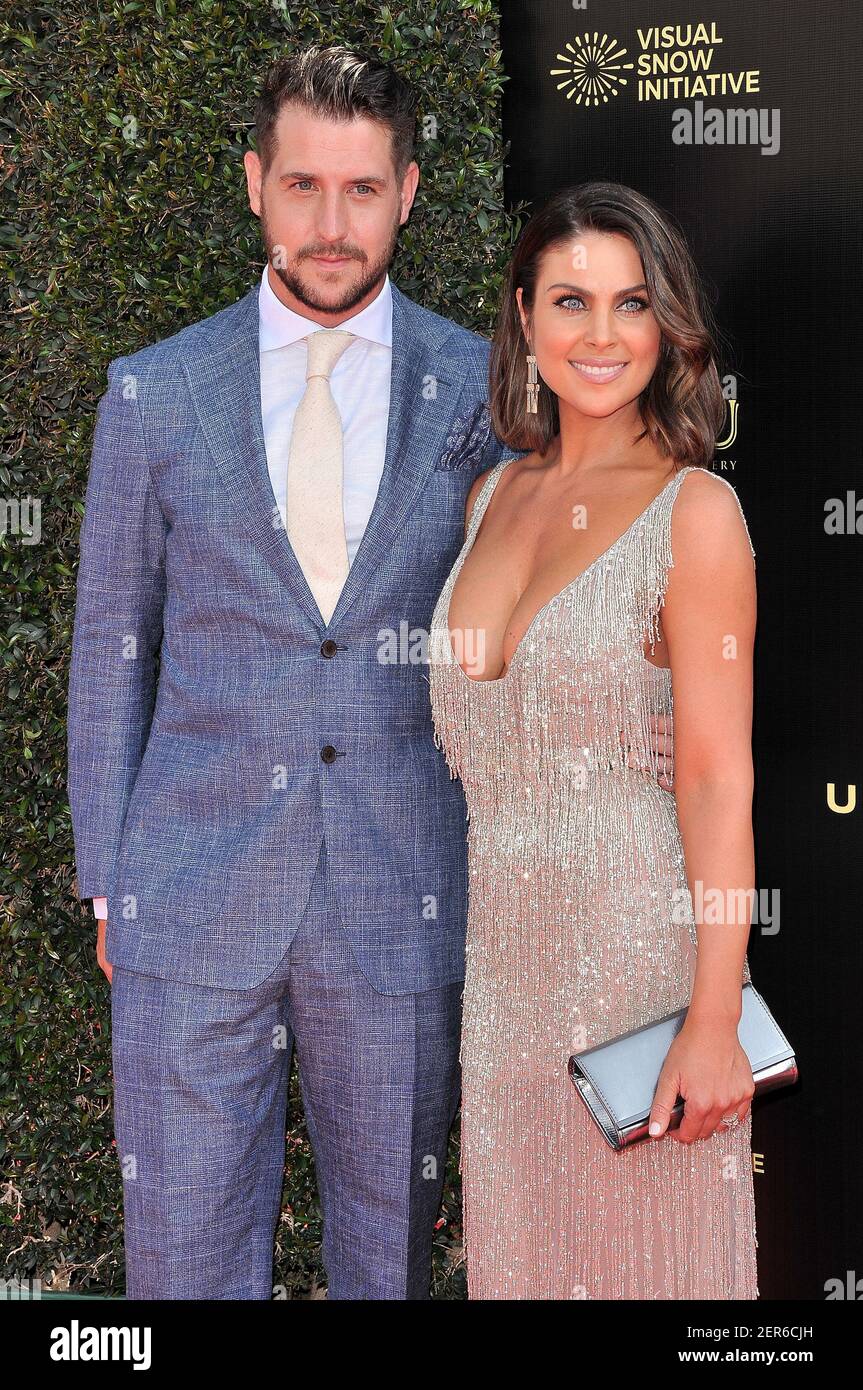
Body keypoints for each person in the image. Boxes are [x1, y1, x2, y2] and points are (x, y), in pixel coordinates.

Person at [67, 47, 669, 1300]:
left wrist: (642, 710)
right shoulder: (155, 393)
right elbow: (109, 647)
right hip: (187, 893)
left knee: (387, 1260)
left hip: (406, 889)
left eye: (358, 189)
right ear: (253, 186)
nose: (328, 225)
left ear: (405, 192)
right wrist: (109, 883)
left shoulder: (491, 390)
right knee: (178, 1261)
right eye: (300, 186)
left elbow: (578, 547)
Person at [428, 181, 760, 1300]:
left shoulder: (694, 513)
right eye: (571, 301)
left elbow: (716, 782)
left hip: (639, 981)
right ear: (524, 317)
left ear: (665, 327)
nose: (602, 334)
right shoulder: (488, 498)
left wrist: (713, 1017)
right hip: (505, 996)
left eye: (631, 305)